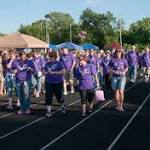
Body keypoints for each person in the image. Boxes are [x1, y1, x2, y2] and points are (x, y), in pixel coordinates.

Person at [44, 51, 66, 117]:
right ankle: (48, 111)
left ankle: (62, 105)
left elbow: (63, 71)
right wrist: (45, 72)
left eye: (52, 57)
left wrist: (54, 72)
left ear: (55, 57)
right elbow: (43, 71)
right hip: (48, 82)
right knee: (48, 96)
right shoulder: (47, 64)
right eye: (50, 57)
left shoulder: (59, 63)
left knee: (59, 96)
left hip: (57, 82)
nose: (51, 59)